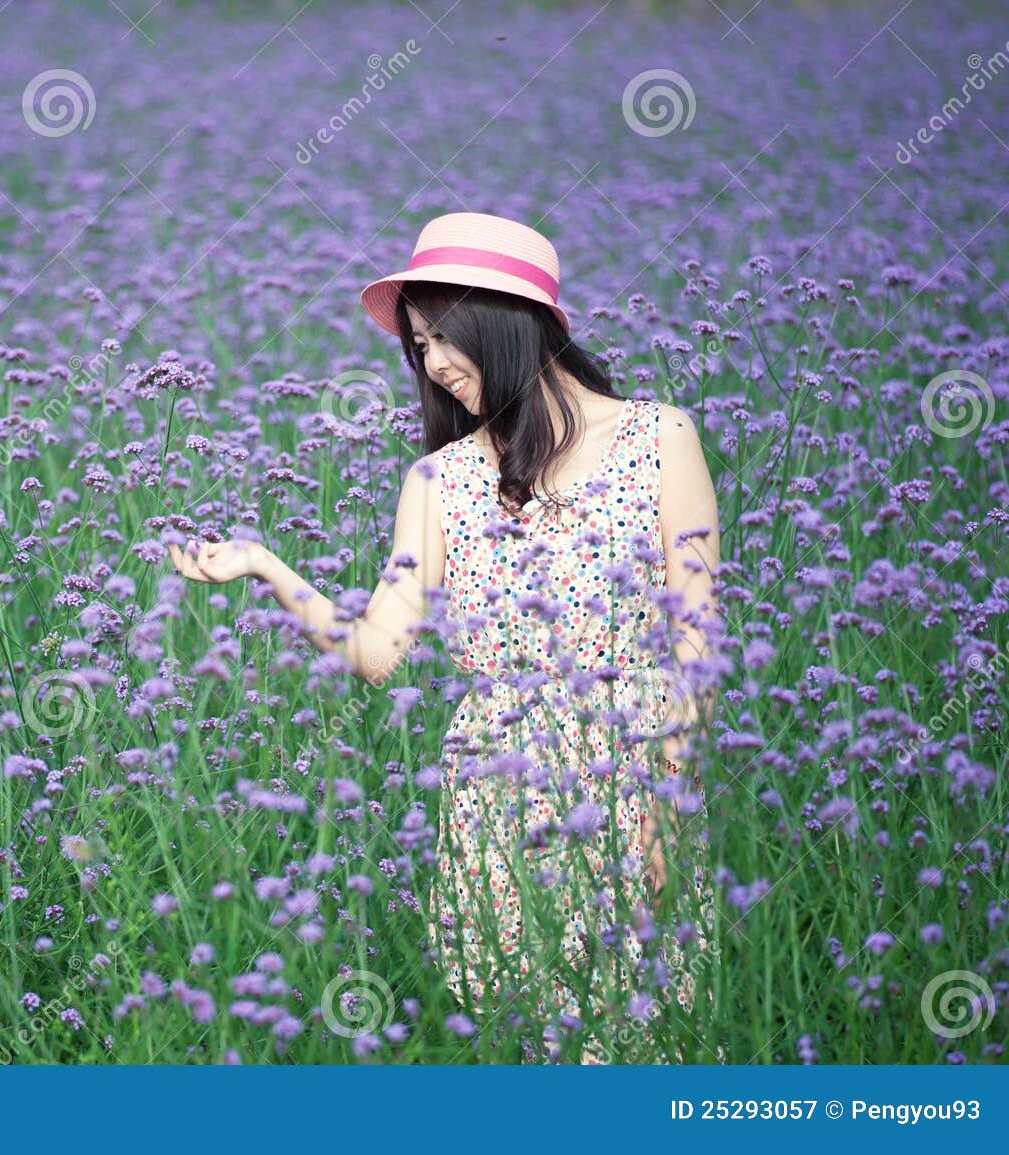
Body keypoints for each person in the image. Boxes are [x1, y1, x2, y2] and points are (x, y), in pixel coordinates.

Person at [168, 212, 723, 1063]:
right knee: (520, 1043)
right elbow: (378, 652)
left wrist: (665, 806)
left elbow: (696, 640)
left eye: (441, 336)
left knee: (647, 1036)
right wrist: (266, 567)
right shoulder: (438, 479)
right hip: (494, 793)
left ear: (506, 321)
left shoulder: (660, 437)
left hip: (632, 775)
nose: (431, 363)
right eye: (417, 344)